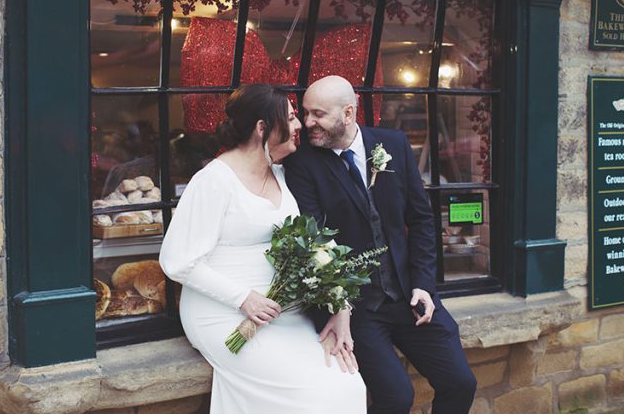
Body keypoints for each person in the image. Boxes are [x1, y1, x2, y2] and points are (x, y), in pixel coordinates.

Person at [159, 84, 366, 414]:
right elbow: (176, 261)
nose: (300, 126)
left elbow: (313, 246)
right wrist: (243, 298)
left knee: (349, 384)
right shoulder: (214, 181)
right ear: (262, 128)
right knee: (317, 398)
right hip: (225, 315)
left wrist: (341, 307)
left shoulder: (283, 175)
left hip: (284, 314)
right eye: (292, 117)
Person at [285, 76, 476, 414]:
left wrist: (423, 286)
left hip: (408, 296)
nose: (307, 123)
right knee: (396, 398)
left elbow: (420, 220)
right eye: (305, 113)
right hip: (356, 308)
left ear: (347, 113)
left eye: (318, 114)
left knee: (460, 382)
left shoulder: (394, 144)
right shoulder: (302, 164)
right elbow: (313, 241)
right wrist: (339, 305)